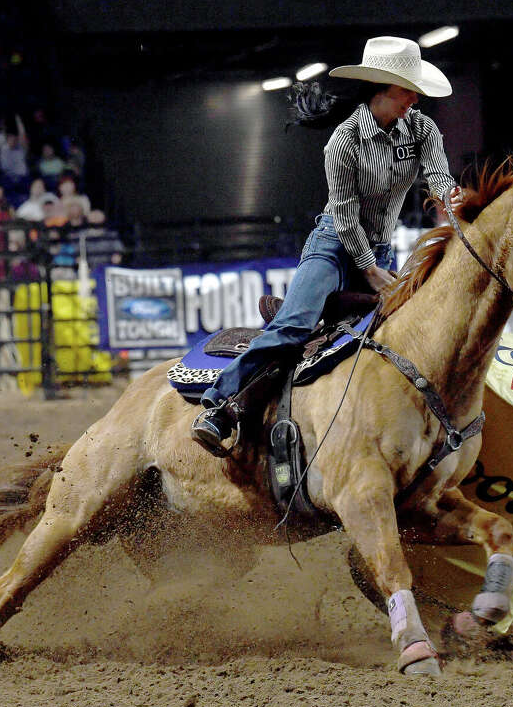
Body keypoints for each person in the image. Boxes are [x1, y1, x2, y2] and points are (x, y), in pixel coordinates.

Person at [192, 36, 461, 455]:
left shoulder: (423, 129)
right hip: (335, 243)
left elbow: (438, 177)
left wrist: (451, 196)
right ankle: (219, 404)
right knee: (295, 327)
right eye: (405, 90)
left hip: (383, 250)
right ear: (379, 89)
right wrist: (371, 268)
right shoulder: (344, 141)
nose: (414, 98)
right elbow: (346, 214)